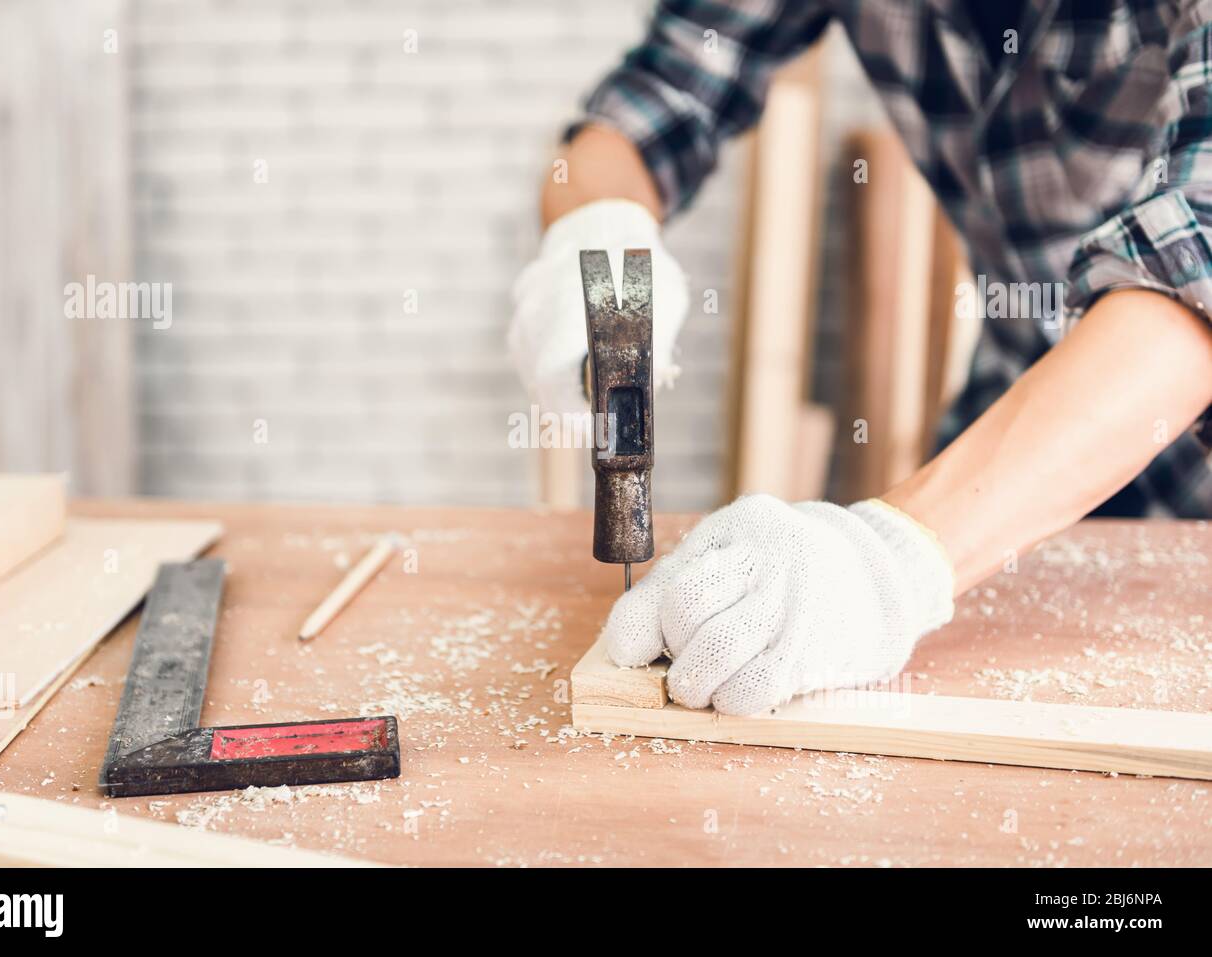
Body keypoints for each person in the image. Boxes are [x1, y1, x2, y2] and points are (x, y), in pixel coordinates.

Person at [508, 1, 1212, 717]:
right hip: (1002, 430)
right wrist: (596, 226)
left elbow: (1202, 247)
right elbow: (660, 96)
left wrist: (889, 559)